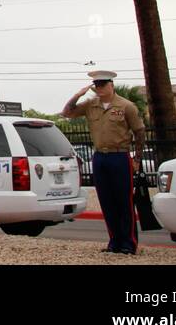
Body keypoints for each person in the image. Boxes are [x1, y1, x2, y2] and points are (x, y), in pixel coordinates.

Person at [61, 69, 144, 255]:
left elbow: (139, 131)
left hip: (119, 156)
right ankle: (114, 242)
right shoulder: (91, 105)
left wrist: (137, 158)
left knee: (124, 201)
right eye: (96, 85)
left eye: (102, 85)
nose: (99, 88)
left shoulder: (126, 106)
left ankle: (128, 243)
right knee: (107, 201)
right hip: (100, 157)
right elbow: (67, 112)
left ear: (111, 85)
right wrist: (77, 95)